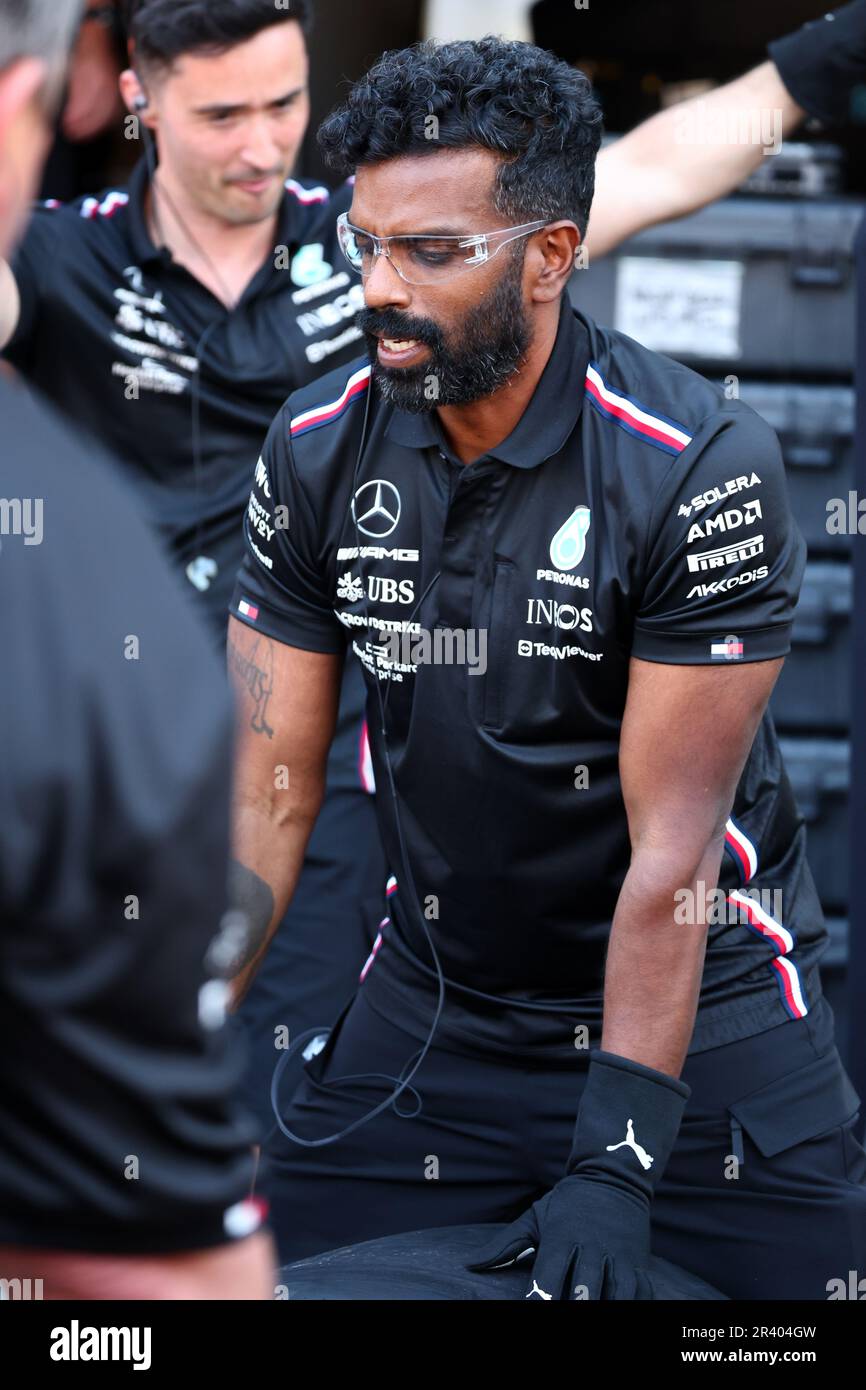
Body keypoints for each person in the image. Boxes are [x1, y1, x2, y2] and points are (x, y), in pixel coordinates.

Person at [227, 36, 866, 1300]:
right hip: (440, 1006)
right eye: (365, 244)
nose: (379, 289)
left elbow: (670, 856)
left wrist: (618, 1156)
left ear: (550, 258)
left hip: (706, 1017)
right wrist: (149, 1046)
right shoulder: (312, 448)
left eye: (431, 252)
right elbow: (266, 799)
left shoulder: (694, 463)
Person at [0, 0, 272, 1299]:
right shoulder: (61, 260)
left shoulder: (370, 241)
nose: (263, 145)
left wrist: (814, 66)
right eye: (224, 113)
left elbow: (624, 185)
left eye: (286, 105)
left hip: (306, 782)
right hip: (101, 765)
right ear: (137, 98)